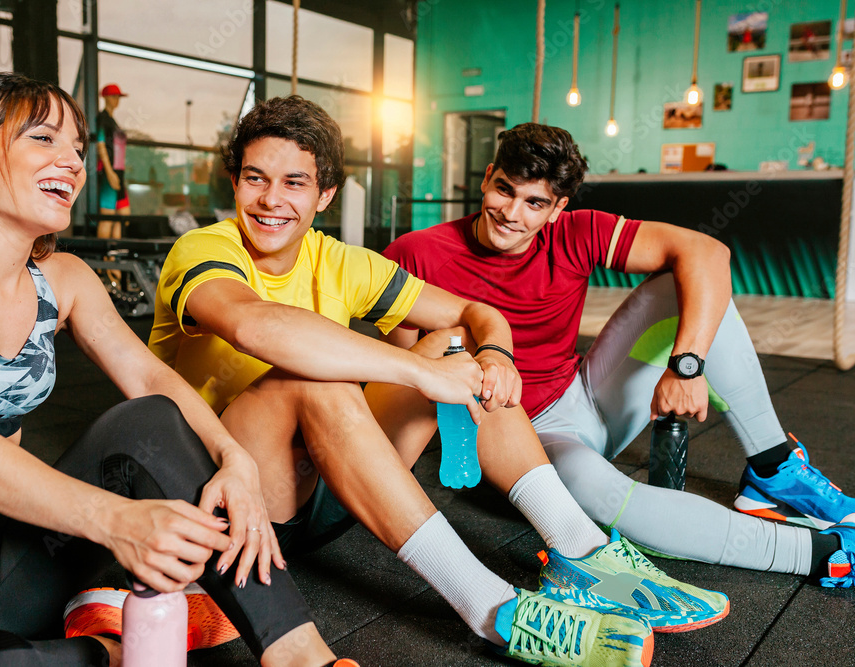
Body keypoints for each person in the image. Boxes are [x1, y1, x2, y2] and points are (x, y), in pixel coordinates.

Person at [147, 95, 736, 666]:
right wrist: (422, 373)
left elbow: (479, 317)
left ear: (325, 194)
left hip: (325, 492)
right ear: (234, 182)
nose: (272, 200)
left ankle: (578, 547)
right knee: (313, 380)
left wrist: (497, 356)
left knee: (463, 350)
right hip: (228, 501)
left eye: (294, 183)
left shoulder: (341, 260)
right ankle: (491, 606)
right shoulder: (204, 248)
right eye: (256, 179)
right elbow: (258, 325)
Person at [0, 72, 358, 667]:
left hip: (17, 536)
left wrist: (234, 457)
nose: (71, 161)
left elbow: (150, 380)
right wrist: (117, 521)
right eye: (43, 139)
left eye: (76, 147)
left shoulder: (64, 279)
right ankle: (119, 648)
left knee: (148, 421)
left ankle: (301, 655)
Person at [382, 122, 855, 590]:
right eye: (504, 190)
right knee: (591, 488)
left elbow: (708, 252)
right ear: (487, 177)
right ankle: (819, 554)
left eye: (535, 203)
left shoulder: (575, 232)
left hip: (590, 397)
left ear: (558, 208)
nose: (511, 213)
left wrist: (686, 366)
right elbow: (406, 383)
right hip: (527, 440)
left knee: (686, 280)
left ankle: (773, 467)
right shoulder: (416, 253)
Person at [96, 82, 130, 241]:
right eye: (114, 96)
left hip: (118, 171)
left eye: (118, 97)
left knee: (124, 217)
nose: (117, 100)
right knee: (108, 218)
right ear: (107, 98)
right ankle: (103, 263)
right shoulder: (102, 119)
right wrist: (109, 173)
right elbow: (100, 145)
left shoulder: (112, 121)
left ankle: (113, 261)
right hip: (109, 172)